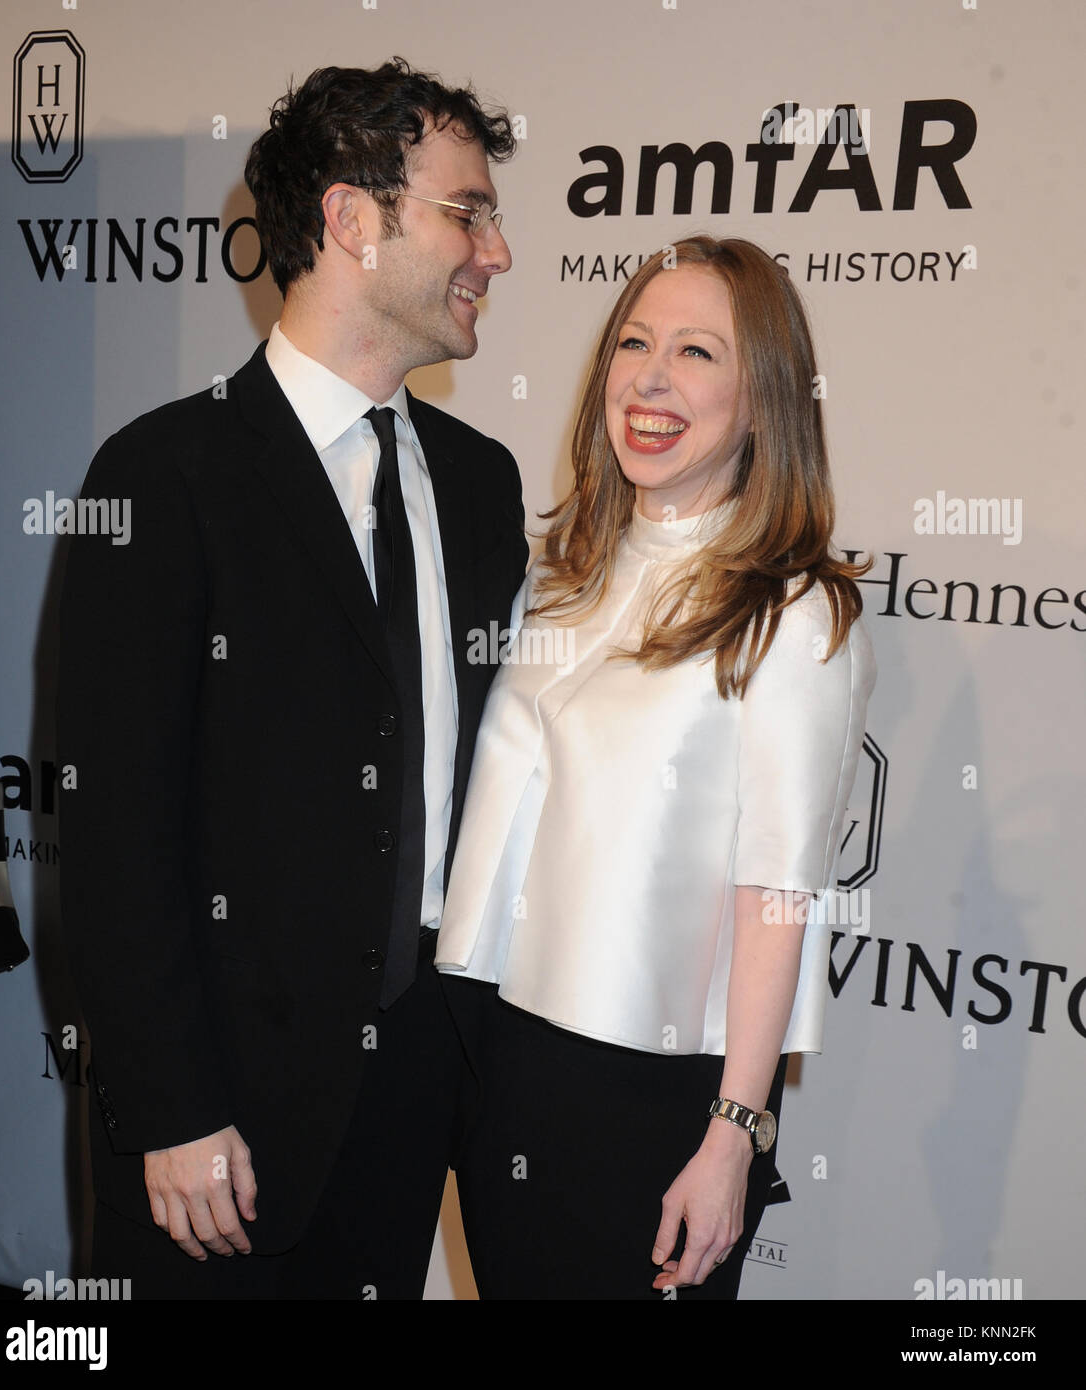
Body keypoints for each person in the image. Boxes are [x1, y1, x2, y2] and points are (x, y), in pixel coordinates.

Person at [56, 57, 526, 1299]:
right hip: (218, 1122)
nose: (499, 251)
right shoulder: (164, 475)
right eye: (467, 211)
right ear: (350, 219)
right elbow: (112, 827)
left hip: (411, 1097)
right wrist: (168, 1105)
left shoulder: (480, 486)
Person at [436, 235, 876, 1300]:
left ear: (764, 398)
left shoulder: (790, 612)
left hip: (654, 1098)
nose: (649, 376)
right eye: (633, 341)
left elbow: (778, 891)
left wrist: (731, 1134)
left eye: (695, 352)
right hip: (499, 1062)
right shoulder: (559, 574)